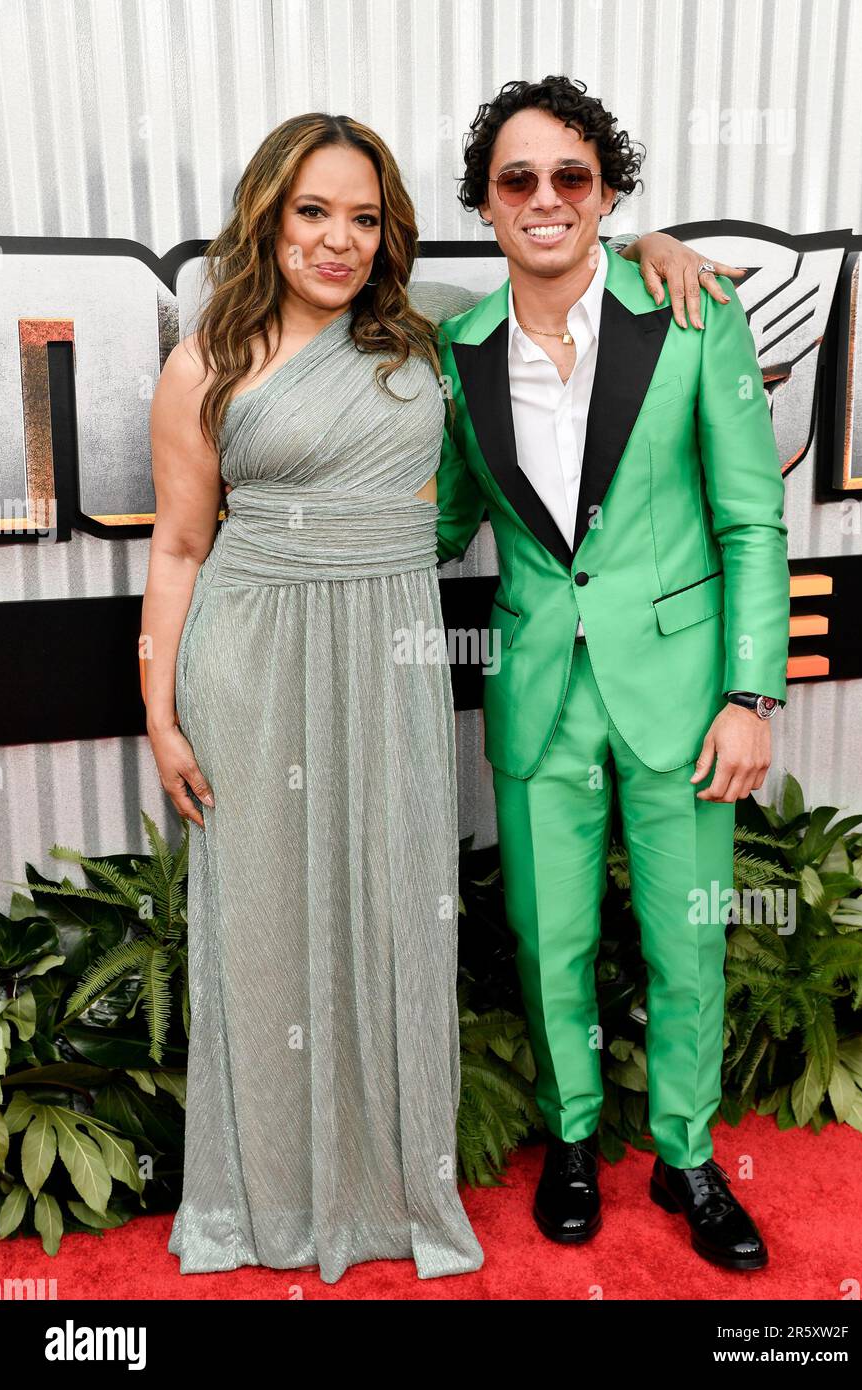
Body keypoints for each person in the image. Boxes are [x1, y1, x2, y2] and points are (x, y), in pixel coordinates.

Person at [142, 109, 735, 1284]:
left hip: (389, 663)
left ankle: (394, 1183)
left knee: (398, 916)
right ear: (267, 215)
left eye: (364, 218)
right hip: (250, 664)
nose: (338, 239)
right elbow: (177, 547)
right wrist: (161, 714)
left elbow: (563, 282)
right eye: (313, 210)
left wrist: (657, 246)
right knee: (264, 926)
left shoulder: (425, 347)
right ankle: (270, 1191)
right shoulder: (205, 361)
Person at [435, 76, 790, 1272]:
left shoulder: (691, 313)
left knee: (690, 942)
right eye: (518, 179)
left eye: (571, 176)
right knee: (550, 942)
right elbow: (441, 521)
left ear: (606, 192)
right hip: (540, 691)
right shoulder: (458, 352)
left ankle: (688, 1157)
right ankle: (573, 1139)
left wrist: (751, 694)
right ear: (487, 203)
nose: (545, 198)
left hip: (684, 694)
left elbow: (751, 521)